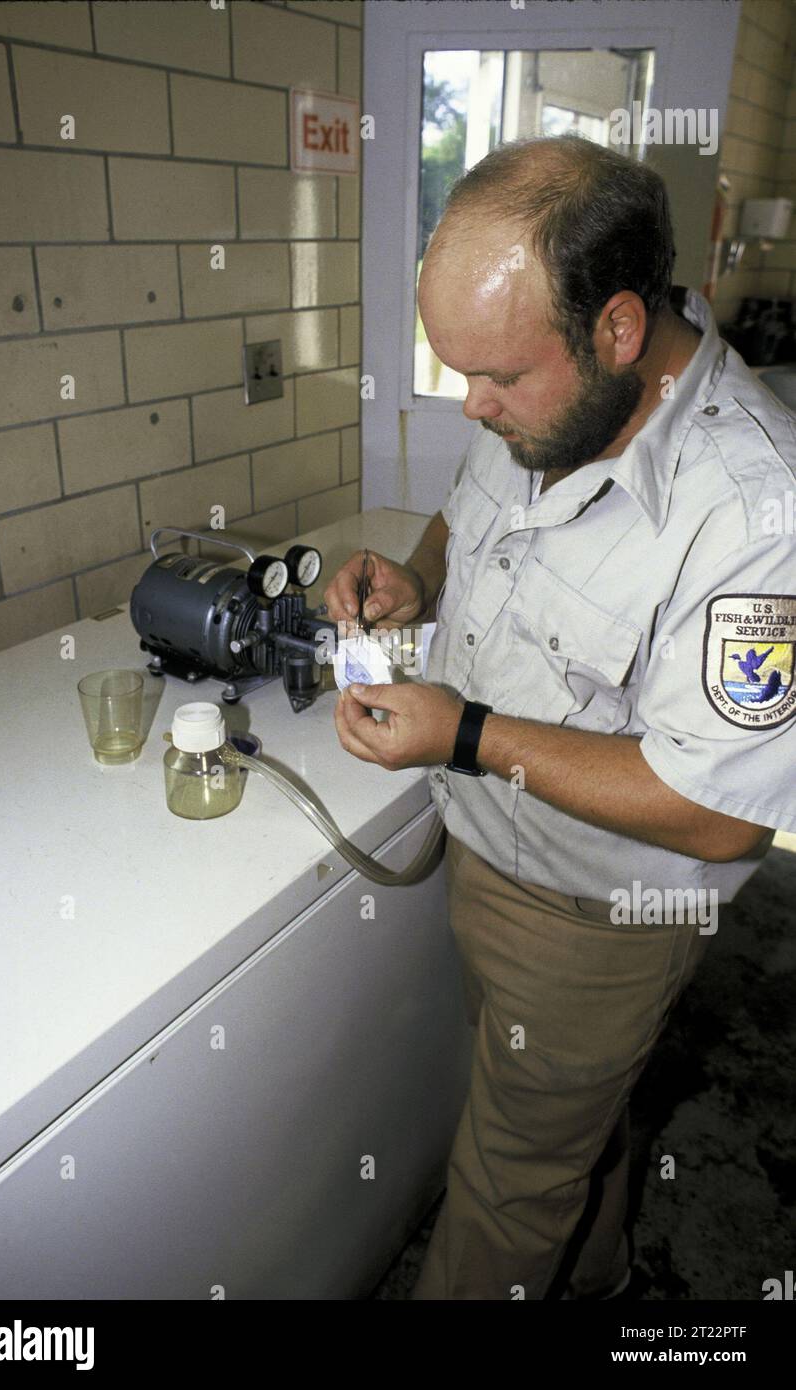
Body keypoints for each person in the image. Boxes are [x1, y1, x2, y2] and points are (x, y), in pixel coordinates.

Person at [323, 135, 796, 1301]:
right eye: (454, 374)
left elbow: (717, 812)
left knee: (505, 1191)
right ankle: (595, 1278)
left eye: (495, 378)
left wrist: (466, 732)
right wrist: (416, 578)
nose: (472, 409)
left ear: (620, 329)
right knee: (569, 1135)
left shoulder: (754, 515)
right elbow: (466, 514)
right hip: (486, 857)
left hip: (597, 920)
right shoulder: (552, 404)